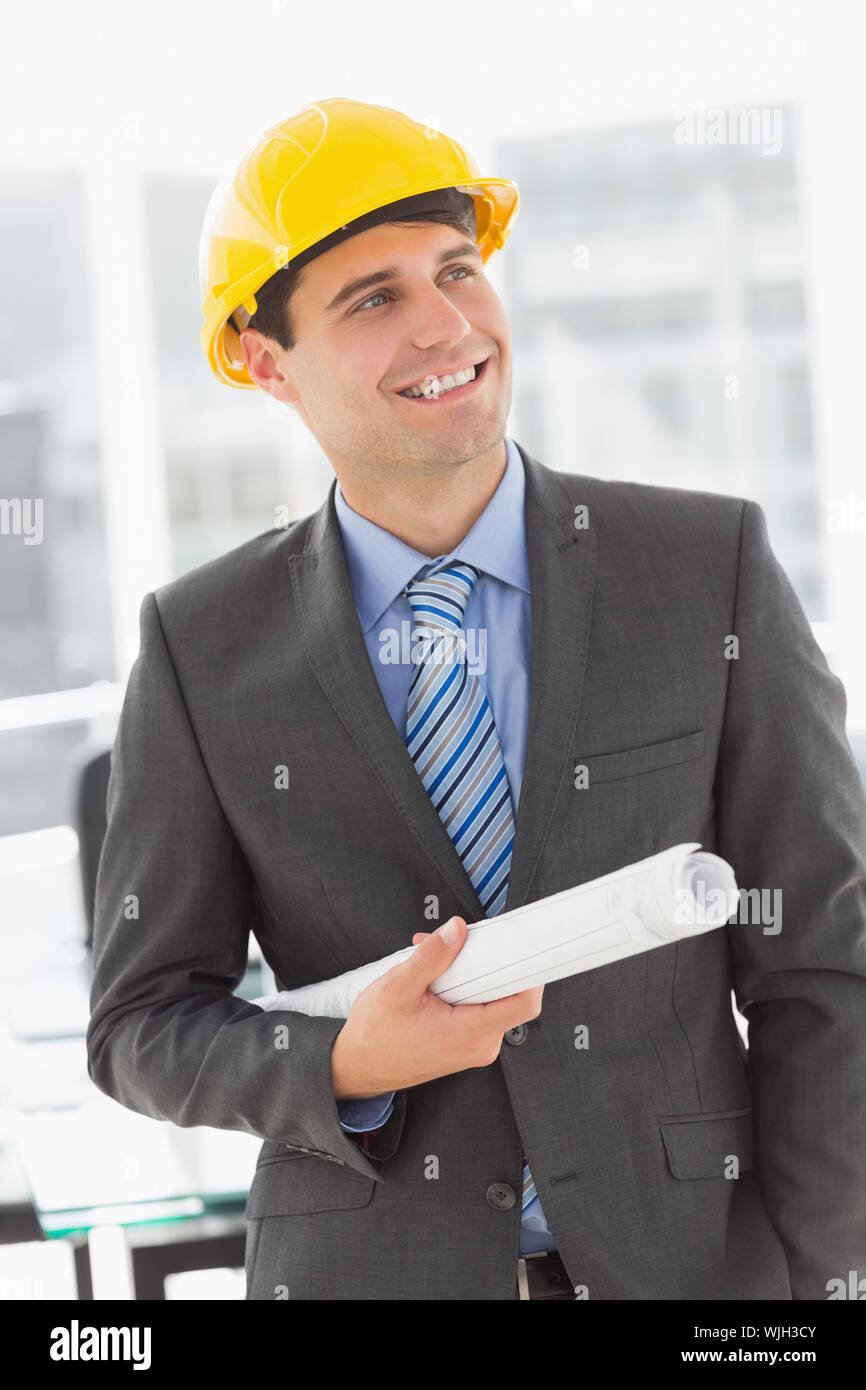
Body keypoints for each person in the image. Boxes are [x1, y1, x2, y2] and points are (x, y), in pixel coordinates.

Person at [87, 96, 866, 1301]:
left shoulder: (701, 565)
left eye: (456, 270)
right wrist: (340, 1058)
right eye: (373, 298)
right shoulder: (198, 646)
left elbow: (824, 962)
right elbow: (141, 1023)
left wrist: (823, 1281)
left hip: (692, 1277)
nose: (448, 323)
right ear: (263, 358)